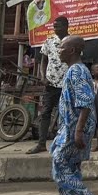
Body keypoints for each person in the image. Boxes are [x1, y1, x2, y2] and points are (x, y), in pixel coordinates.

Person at [48, 36, 98, 195]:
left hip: (76, 128)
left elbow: (85, 102)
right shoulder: (74, 70)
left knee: (59, 166)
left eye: (62, 47)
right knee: (71, 169)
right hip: (69, 127)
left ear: (72, 50)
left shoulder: (76, 71)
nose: (58, 50)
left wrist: (77, 131)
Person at [29, 16, 71, 154]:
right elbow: (43, 60)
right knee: (46, 112)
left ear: (66, 26)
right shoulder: (49, 41)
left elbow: (77, 61)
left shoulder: (72, 41)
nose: (55, 29)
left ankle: (63, 143)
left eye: (58, 26)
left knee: (64, 113)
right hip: (51, 83)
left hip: (66, 84)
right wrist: (43, 76)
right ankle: (41, 143)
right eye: (54, 26)